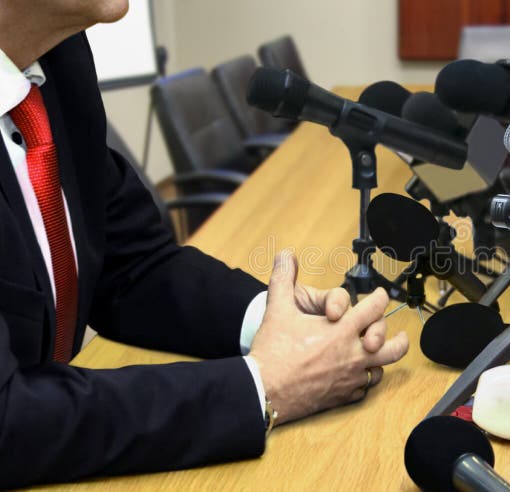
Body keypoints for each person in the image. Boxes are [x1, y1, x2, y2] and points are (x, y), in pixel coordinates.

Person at [0, 1, 409, 488]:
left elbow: (131, 264)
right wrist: (264, 385)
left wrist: (274, 321)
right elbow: (9, 420)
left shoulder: (60, 60)